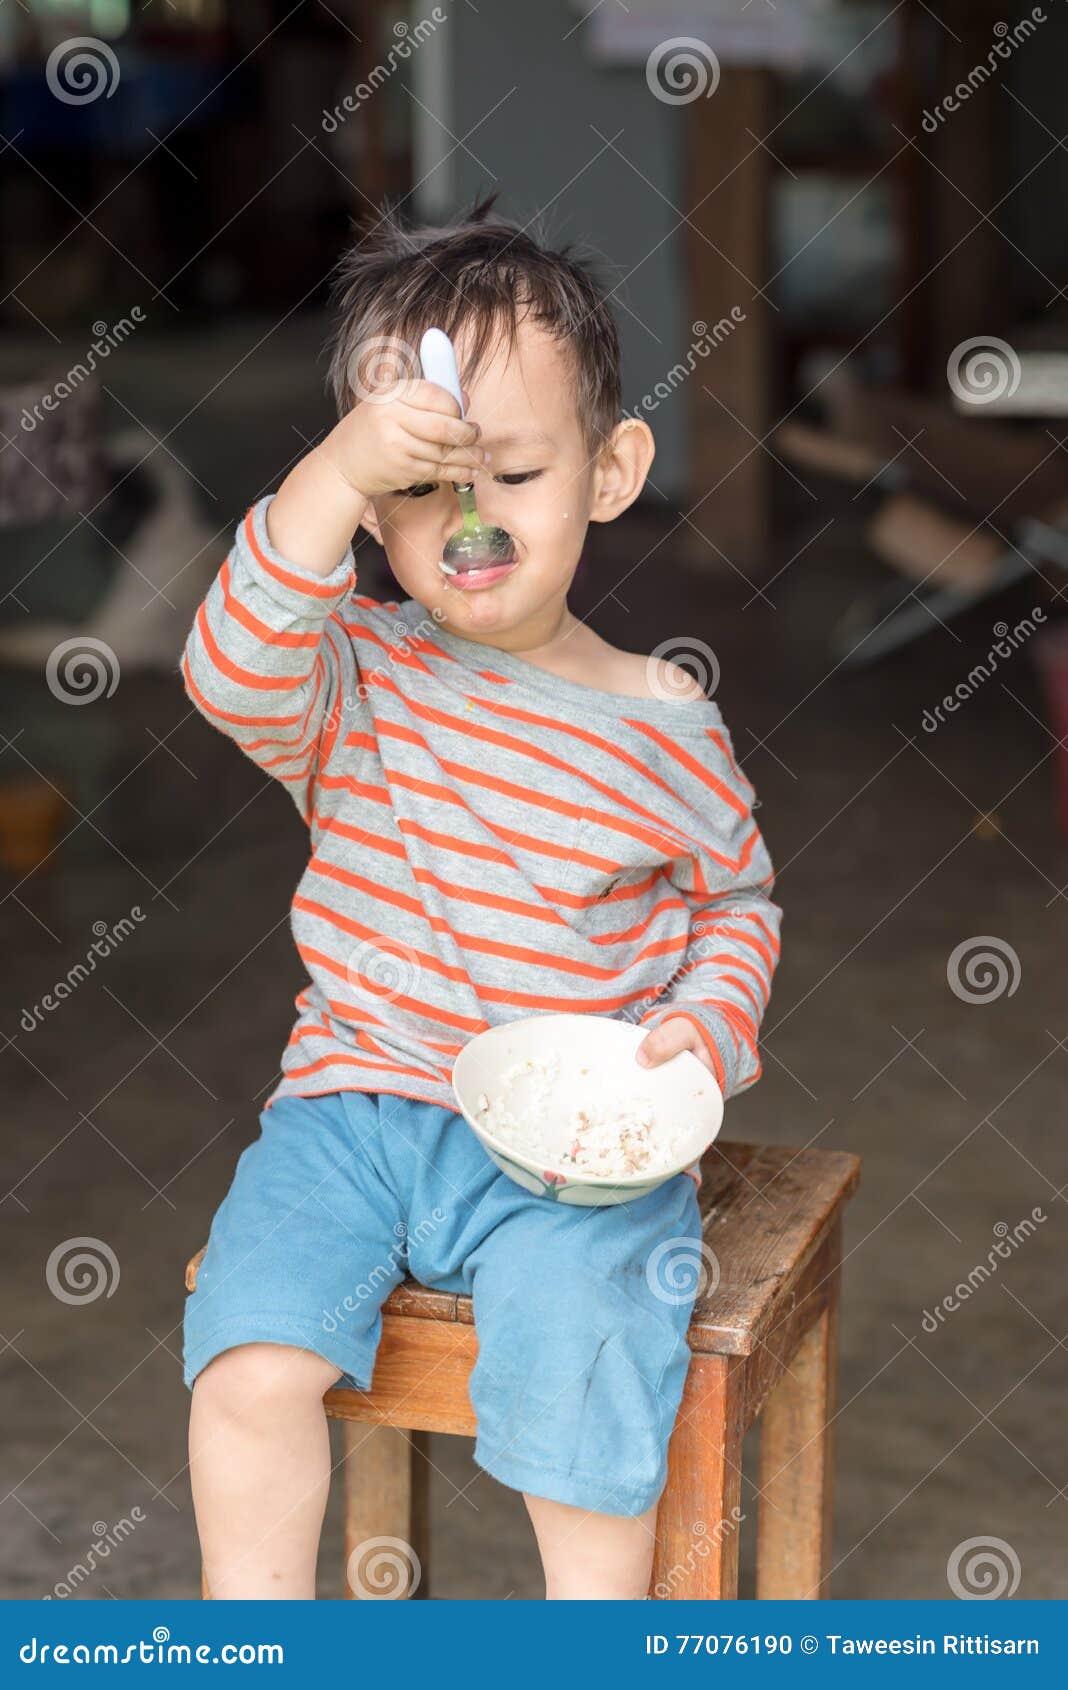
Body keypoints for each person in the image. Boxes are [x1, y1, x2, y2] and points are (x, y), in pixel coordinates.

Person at [180, 194, 781, 1600]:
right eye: (419, 486)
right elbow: (225, 662)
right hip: (353, 1110)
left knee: (583, 1399)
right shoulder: (350, 677)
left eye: (511, 474)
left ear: (612, 470)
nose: (468, 522)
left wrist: (704, 1024)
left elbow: (733, 902)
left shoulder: (661, 719)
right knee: (252, 1364)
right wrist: (336, 466)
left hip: (578, 1161)